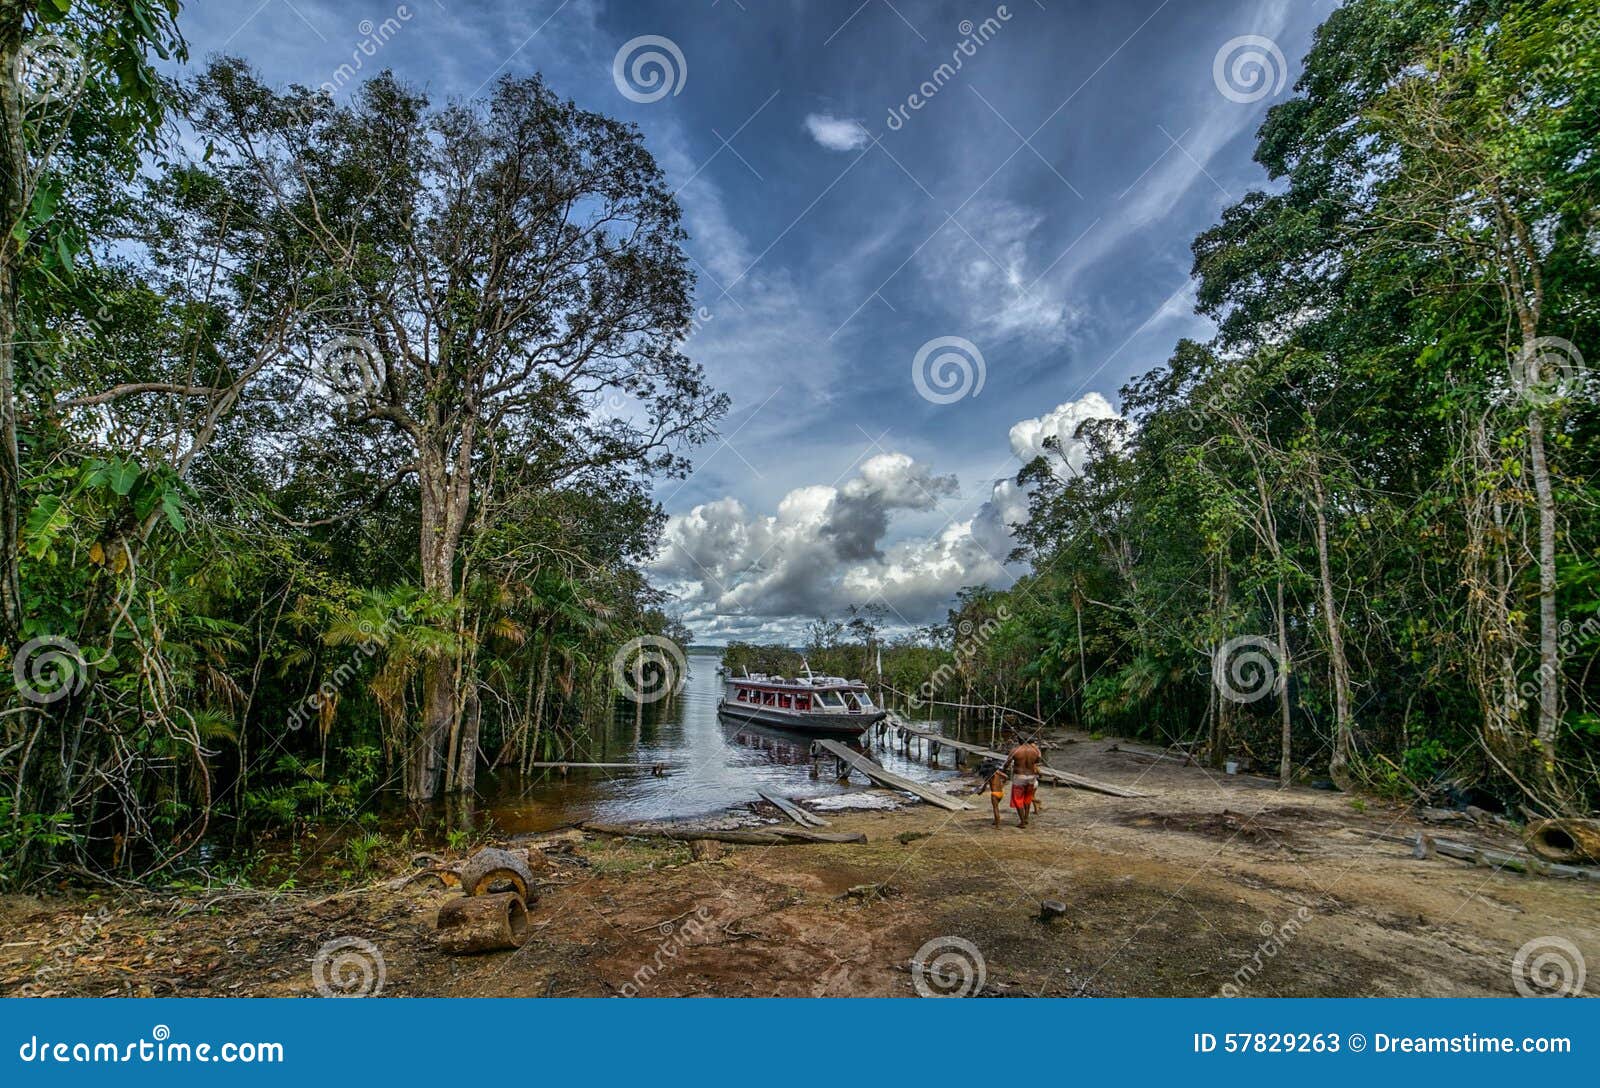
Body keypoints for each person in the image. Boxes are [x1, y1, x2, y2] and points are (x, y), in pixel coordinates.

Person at [1003, 736, 1042, 828]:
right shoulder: (1034, 751)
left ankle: (1022, 822)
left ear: (1018, 741)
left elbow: (1007, 763)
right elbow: (1038, 760)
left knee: (1018, 799)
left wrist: (1004, 769)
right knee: (1027, 798)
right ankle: (1026, 818)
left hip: (1019, 777)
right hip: (1031, 777)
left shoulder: (1015, 750)